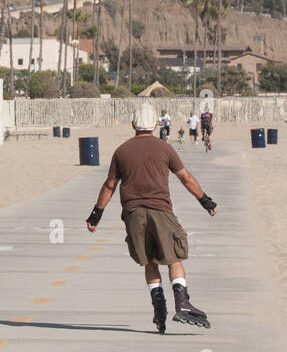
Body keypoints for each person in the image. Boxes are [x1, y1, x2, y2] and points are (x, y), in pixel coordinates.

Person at [87, 102, 217, 334]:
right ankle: (182, 303)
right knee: (174, 256)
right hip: (161, 211)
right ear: (156, 124)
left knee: (149, 260)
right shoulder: (164, 149)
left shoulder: (121, 151)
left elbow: (110, 185)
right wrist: (205, 201)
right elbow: (185, 177)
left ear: (133, 125)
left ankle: (159, 307)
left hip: (133, 214)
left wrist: (96, 215)